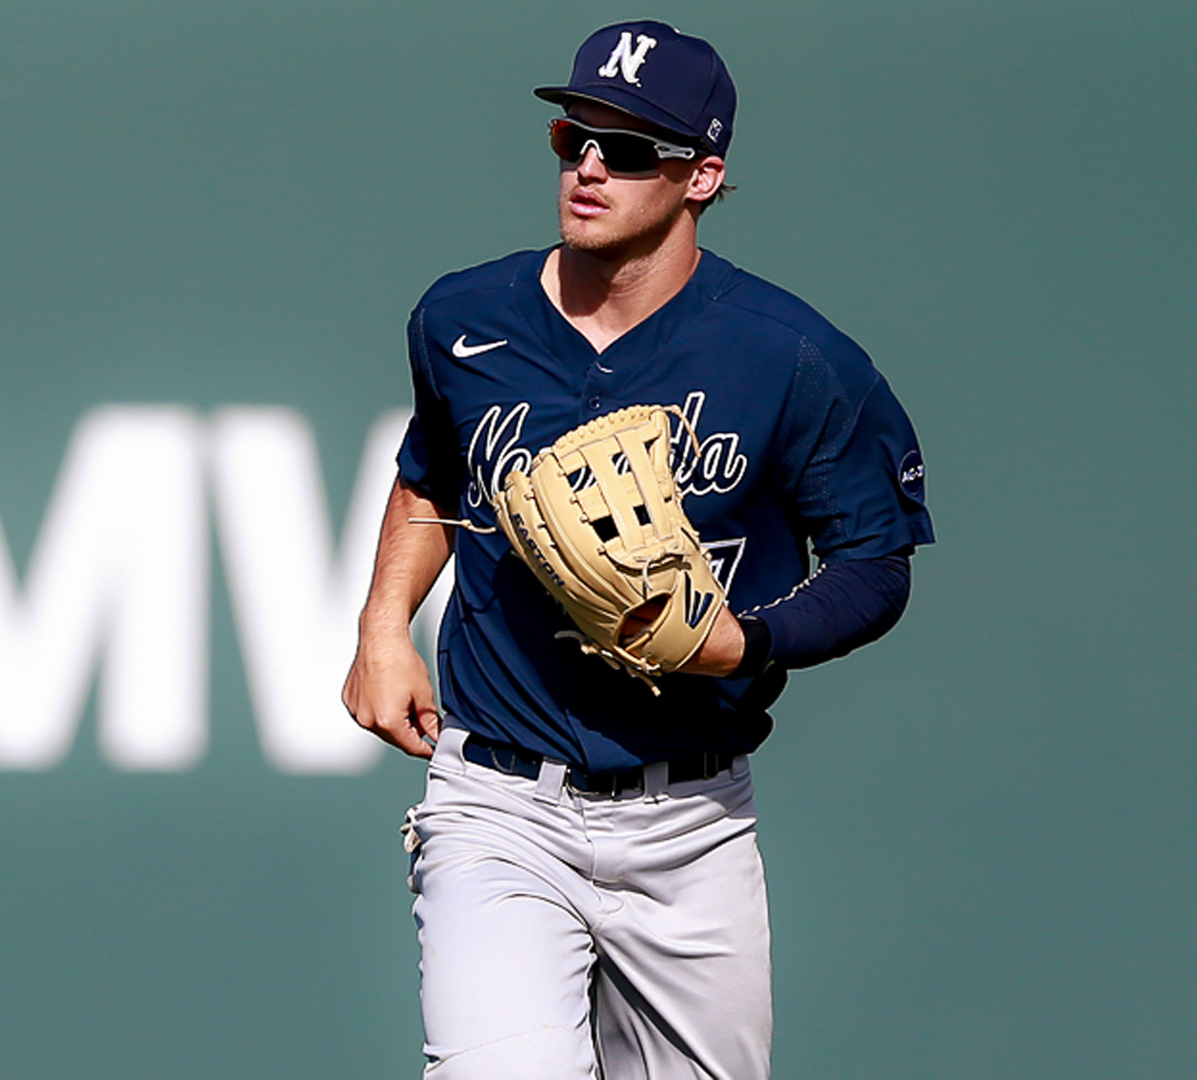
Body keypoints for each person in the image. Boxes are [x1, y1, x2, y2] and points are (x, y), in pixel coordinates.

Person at [341, 20, 934, 1080]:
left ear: (703, 175)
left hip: (690, 821)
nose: (591, 166)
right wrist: (384, 625)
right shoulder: (464, 316)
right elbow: (434, 470)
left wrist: (743, 644)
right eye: (575, 138)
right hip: (499, 803)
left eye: (633, 149)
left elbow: (874, 562)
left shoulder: (793, 358)